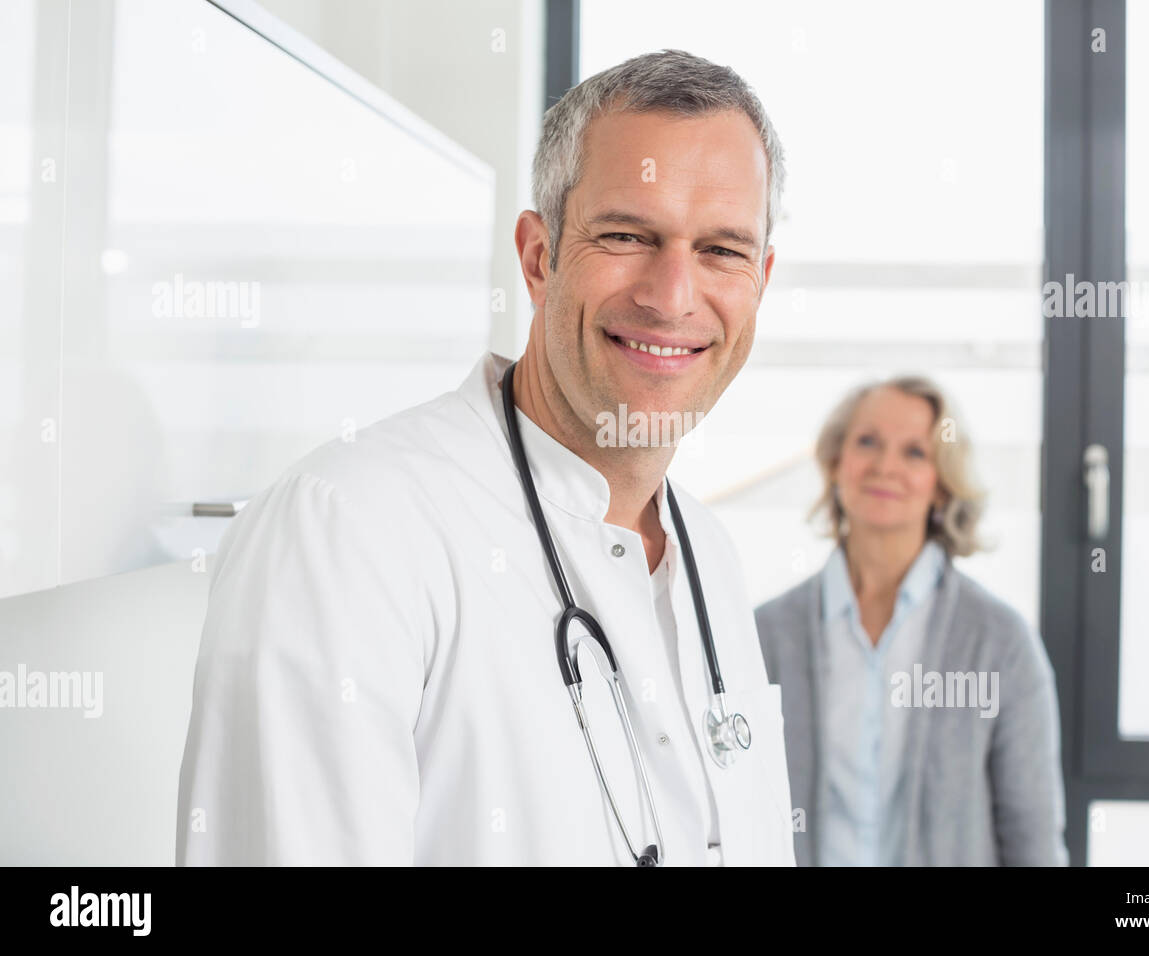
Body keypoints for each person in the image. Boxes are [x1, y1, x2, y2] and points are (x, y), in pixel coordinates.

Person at [176, 49, 795, 866]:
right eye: (626, 234)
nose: (672, 294)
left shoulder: (709, 557)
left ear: (761, 278)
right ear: (539, 258)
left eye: (721, 250)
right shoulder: (347, 531)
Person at [754, 376, 1068, 866]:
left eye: (915, 453)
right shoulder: (764, 635)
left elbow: (1032, 840)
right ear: (836, 463)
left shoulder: (1000, 642)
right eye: (867, 442)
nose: (885, 466)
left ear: (942, 486)